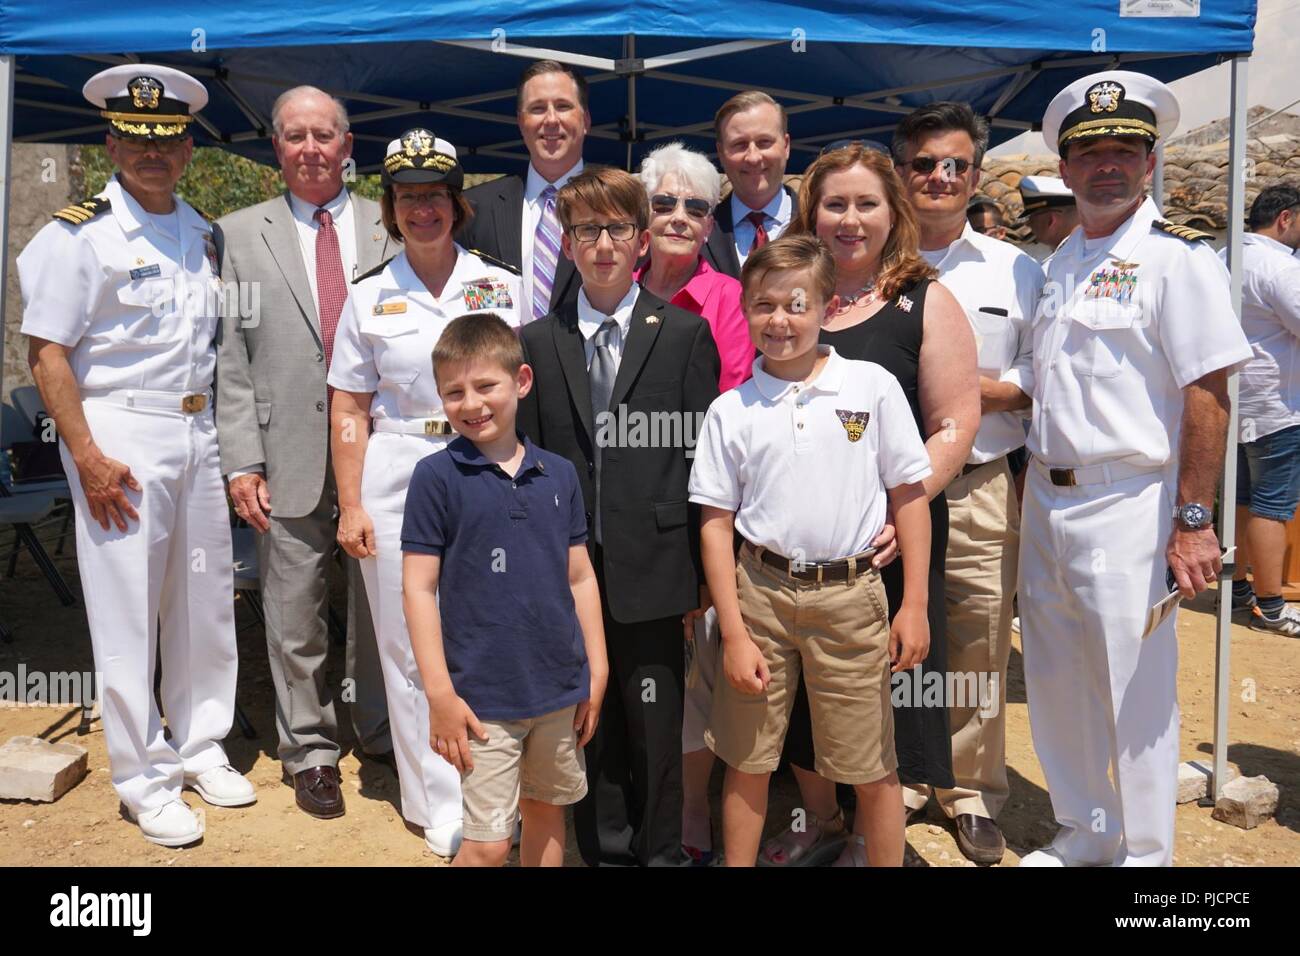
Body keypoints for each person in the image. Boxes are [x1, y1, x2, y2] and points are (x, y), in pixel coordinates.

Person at [19, 64, 255, 846]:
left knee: (203, 599)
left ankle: (200, 745)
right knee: (127, 609)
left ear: (188, 147)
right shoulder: (76, 233)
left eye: (167, 140)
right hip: (118, 432)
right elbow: (47, 353)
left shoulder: (202, 230)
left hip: (195, 429)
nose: (152, 154)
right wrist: (84, 454)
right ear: (111, 142)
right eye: (135, 139)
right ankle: (142, 775)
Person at [1020, 71, 1251, 867]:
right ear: (1067, 165)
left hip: (1133, 502)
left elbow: (1208, 395)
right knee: (1055, 677)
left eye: (1126, 150)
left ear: (1151, 162)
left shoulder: (1176, 262)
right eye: (1091, 153)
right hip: (1047, 500)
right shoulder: (1057, 264)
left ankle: (1147, 857)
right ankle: (1087, 829)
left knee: (1135, 689)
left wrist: (1194, 521)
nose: (1108, 165)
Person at [690, 235, 933, 867]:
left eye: (797, 303)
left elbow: (909, 497)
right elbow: (716, 524)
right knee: (747, 757)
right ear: (745, 310)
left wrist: (916, 606)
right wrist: (735, 633)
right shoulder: (730, 411)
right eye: (764, 305)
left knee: (871, 764)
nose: (780, 320)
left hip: (852, 599)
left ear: (827, 306)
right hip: (760, 597)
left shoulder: (871, 387)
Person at [768, 143, 979, 866]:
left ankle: (871, 836)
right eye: (835, 204)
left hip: (892, 542)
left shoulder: (928, 300)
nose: (850, 220)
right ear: (811, 213)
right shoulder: (787, 296)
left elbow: (955, 422)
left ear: (895, 214)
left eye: (866, 204)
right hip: (797, 551)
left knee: (883, 695)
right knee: (802, 693)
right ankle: (822, 822)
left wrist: (902, 506)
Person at [327, 129, 524, 856]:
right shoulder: (369, 295)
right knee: (410, 644)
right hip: (400, 464)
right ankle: (436, 800)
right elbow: (348, 405)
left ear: (456, 202)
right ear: (391, 207)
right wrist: (350, 501)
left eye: (435, 196)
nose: (423, 210)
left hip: (486, 459)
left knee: (490, 629)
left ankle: (495, 789)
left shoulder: (502, 285)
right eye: (408, 198)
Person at [517, 165, 720, 866]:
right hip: (567, 566)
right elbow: (529, 460)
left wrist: (698, 574)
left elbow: (703, 465)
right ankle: (603, 850)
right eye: (585, 230)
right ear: (566, 243)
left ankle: (662, 853)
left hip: (657, 567)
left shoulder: (684, 335)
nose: (601, 243)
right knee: (586, 722)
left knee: (657, 725)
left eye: (616, 228)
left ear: (640, 240)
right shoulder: (537, 344)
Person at [215, 85, 393, 819]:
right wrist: (241, 459)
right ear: (277, 148)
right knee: (295, 614)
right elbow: (226, 356)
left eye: (326, 135)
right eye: (296, 136)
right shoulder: (232, 234)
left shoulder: (392, 226)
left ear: (349, 147)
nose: (312, 149)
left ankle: (382, 733)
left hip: (378, 453)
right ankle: (311, 750)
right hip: (281, 450)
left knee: (383, 607)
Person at [893, 101, 1045, 863]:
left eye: (956, 165)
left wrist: (965, 390)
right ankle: (905, 775)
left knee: (981, 637)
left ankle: (972, 788)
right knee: (896, 633)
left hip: (980, 480)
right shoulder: (867, 261)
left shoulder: (1016, 269)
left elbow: (1038, 379)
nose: (941, 178)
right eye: (924, 164)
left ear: (977, 176)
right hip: (891, 489)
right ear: (901, 173)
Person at [401, 313, 609, 866]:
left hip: (559, 689)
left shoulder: (559, 474)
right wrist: (440, 694)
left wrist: (598, 666)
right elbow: (419, 591)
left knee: (546, 812)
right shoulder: (435, 478)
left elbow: (580, 576)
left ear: (521, 381)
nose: (471, 404)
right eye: (453, 392)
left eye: (485, 386)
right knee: (489, 844)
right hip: (482, 700)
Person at [1223, 183, 1300, 634]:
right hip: (1276, 404)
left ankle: (1237, 592)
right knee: (1272, 507)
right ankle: (1271, 607)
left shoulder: (1223, 257)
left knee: (1240, 501)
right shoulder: (1279, 265)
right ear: (1286, 218)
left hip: (1235, 401)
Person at [459, 60, 589, 321]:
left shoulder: (617, 202)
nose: (551, 120)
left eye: (563, 106)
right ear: (521, 123)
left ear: (585, 119)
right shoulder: (475, 207)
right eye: (537, 109)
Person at [637, 142, 753, 392]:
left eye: (696, 209)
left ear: (709, 227)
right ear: (645, 214)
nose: (679, 218)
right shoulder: (623, 287)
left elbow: (731, 395)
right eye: (664, 204)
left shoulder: (731, 298)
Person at [702, 91, 799, 279]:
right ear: (721, 153)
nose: (753, 157)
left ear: (786, 146)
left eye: (764, 142)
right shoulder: (701, 234)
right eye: (740, 144)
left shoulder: (819, 226)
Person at [1018, 174, 1079, 253]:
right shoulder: (1092, 253)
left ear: (1051, 221)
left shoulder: (1062, 261)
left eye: (1032, 218)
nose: (1027, 223)